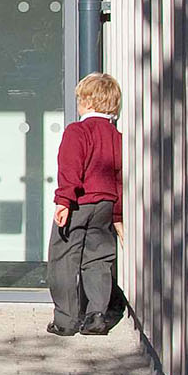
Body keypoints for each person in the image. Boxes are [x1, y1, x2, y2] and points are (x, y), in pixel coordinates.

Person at [47, 72, 127, 336]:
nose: (78, 103)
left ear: (89, 102)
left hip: (79, 202)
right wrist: (117, 215)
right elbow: (118, 177)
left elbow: (70, 168)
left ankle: (66, 320)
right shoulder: (116, 136)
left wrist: (63, 201)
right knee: (98, 258)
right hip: (105, 203)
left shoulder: (77, 131)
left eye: (81, 99)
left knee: (64, 259)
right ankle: (96, 317)